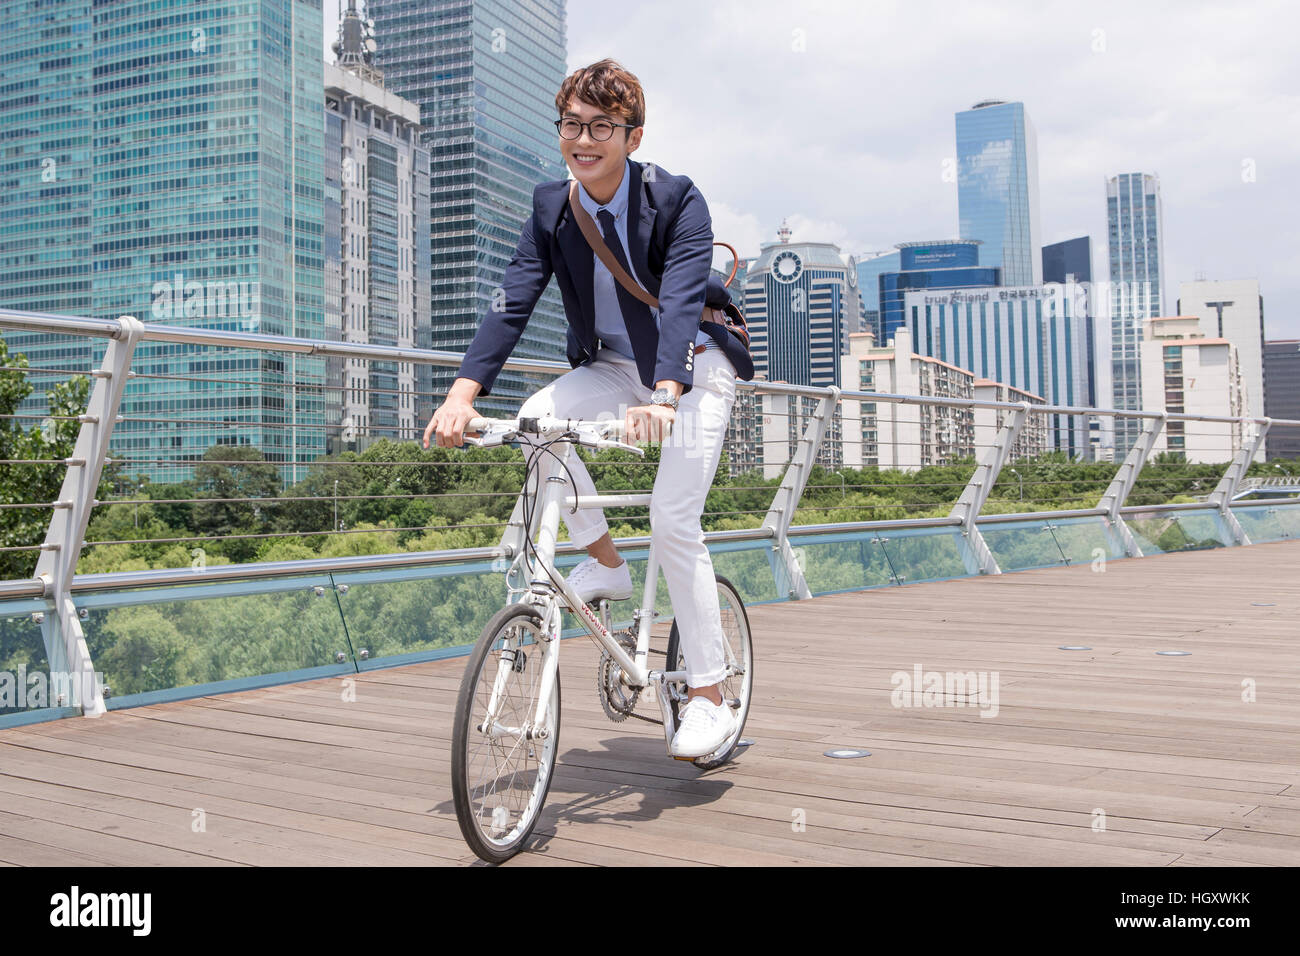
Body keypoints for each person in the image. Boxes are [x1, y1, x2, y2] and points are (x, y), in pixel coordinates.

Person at [422, 58, 750, 759]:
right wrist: (461, 395)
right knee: (540, 423)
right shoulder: (551, 207)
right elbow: (512, 300)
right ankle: (603, 561)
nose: (585, 139)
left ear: (633, 135)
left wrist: (666, 395)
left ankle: (711, 696)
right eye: (573, 124)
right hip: (608, 366)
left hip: (692, 366)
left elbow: (685, 303)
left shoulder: (676, 200)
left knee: (672, 517)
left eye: (603, 126)